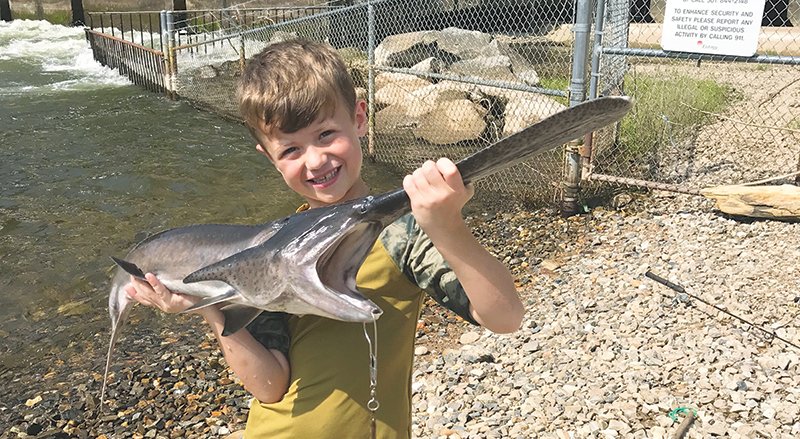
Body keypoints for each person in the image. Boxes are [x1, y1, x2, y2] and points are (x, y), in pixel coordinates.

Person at [124, 38, 524, 438]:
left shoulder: (399, 230)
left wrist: (447, 225)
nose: (315, 160)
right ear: (269, 158)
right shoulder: (270, 252)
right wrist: (207, 306)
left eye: (327, 134)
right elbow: (269, 385)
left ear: (360, 118)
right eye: (291, 150)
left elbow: (504, 317)